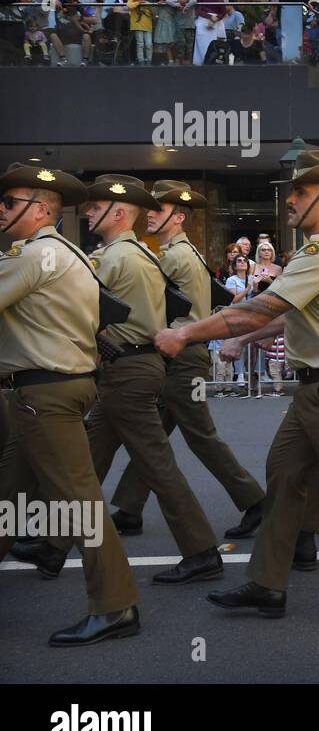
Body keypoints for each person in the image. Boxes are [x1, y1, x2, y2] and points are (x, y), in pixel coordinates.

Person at [159, 147, 319, 631]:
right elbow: (290, 315)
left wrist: (185, 333)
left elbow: (262, 307)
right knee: (284, 476)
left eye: (300, 192)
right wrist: (236, 336)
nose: (290, 201)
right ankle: (267, 583)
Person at [16, 175, 223, 583]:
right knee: (85, 463)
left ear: (120, 212)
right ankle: (54, 546)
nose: (88, 212)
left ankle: (201, 551)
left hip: (126, 369)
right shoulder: (142, 254)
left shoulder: (112, 258)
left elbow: (74, 312)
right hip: (137, 366)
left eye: (96, 207)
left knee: (155, 465)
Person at [0, 163, 141, 646]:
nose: (0, 210)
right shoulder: (72, 253)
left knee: (82, 504)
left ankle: (116, 606)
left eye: (9, 203)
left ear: (41, 210)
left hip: (45, 391)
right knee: (10, 497)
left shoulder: (32, 254)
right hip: (59, 386)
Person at [108, 181, 266, 541]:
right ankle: (130, 508)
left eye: (158, 210)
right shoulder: (182, 252)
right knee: (151, 436)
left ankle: (254, 500)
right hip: (181, 355)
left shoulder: (173, 256)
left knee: (200, 436)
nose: (149, 214)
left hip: (182, 357)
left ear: (178, 218)